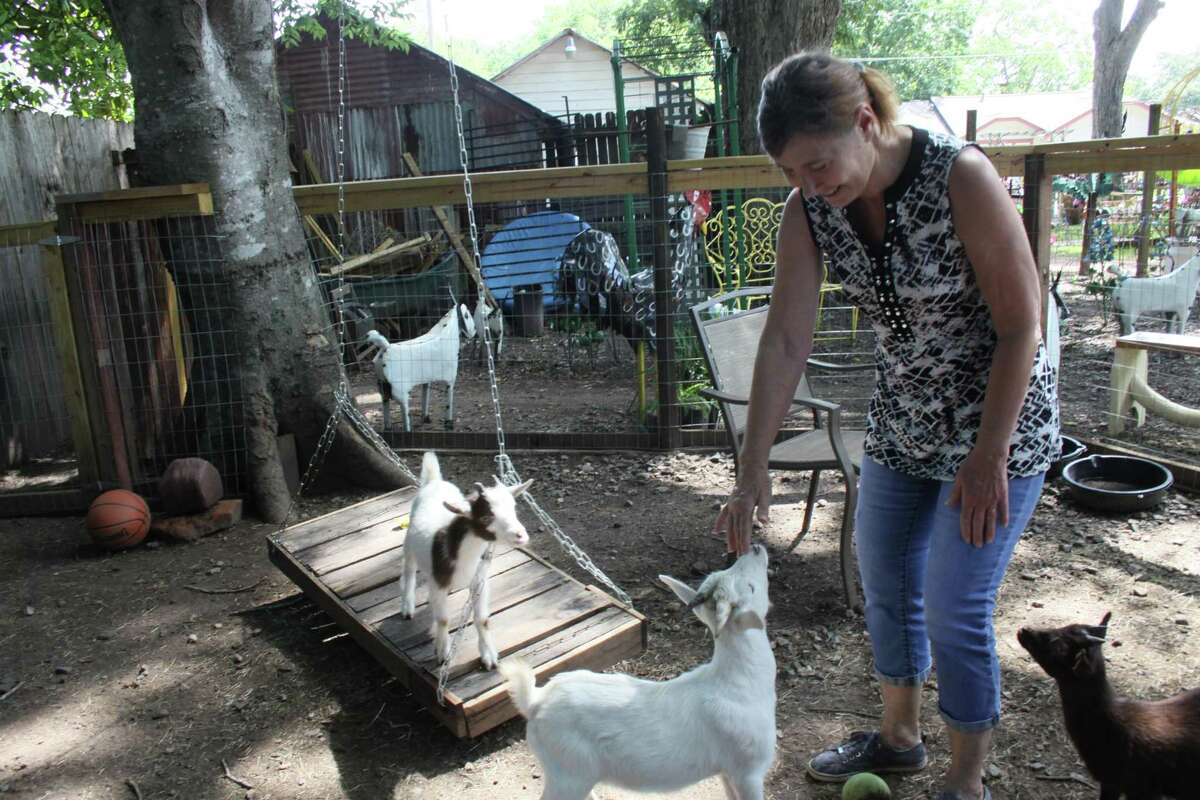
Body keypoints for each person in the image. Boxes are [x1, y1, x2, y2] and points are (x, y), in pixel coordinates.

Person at [713, 52, 1060, 800]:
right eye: (792, 173)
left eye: (818, 164)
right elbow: (784, 340)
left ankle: (966, 781)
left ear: (866, 122)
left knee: (955, 604)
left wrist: (989, 455)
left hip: (999, 418)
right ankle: (900, 740)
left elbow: (1021, 325)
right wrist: (751, 469)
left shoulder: (960, 177)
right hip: (905, 412)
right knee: (888, 578)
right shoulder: (809, 210)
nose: (810, 186)